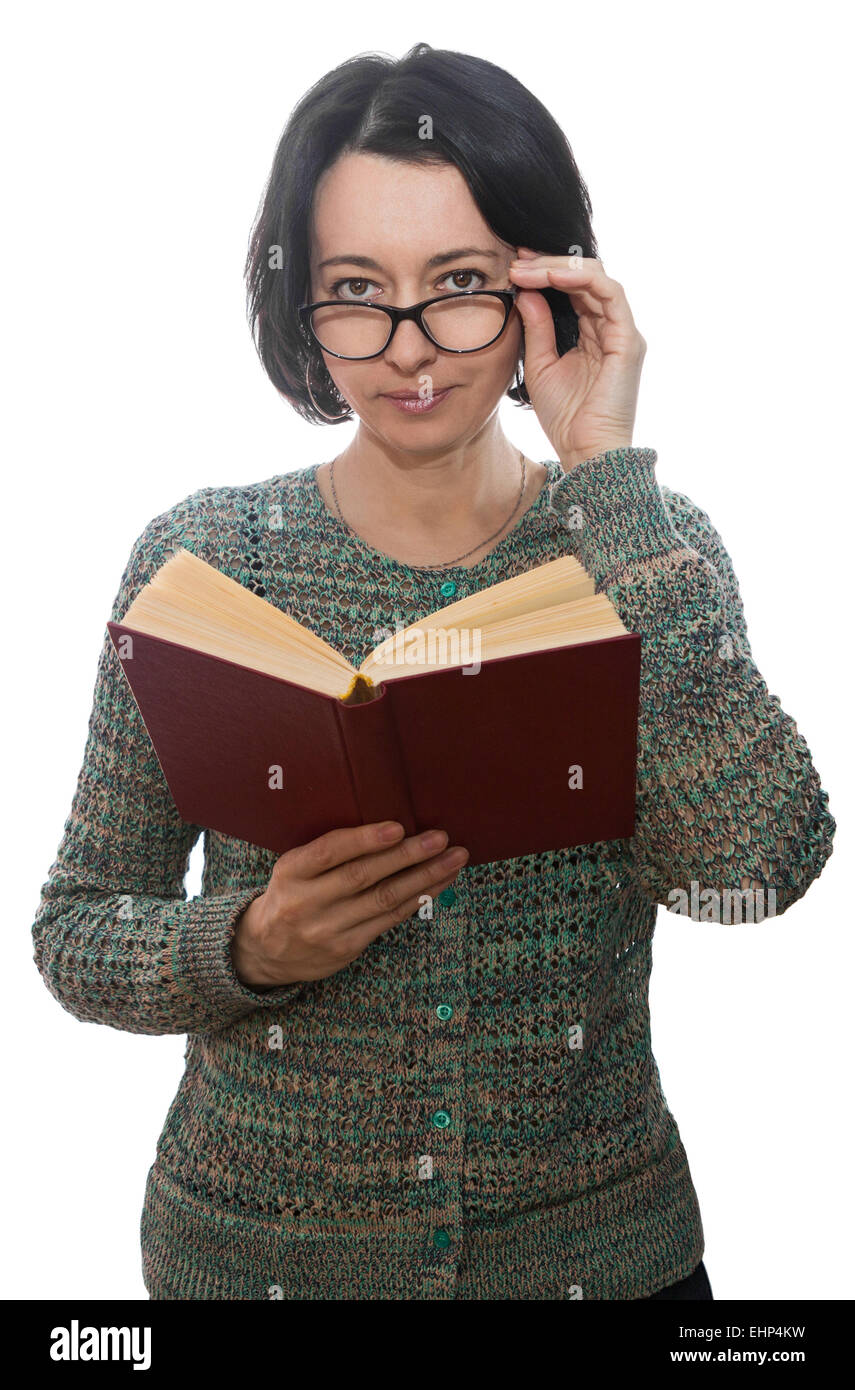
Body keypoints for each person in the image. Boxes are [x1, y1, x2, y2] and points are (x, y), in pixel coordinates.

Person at [32, 42, 834, 1301]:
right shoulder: (203, 561)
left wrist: (607, 475)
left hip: (599, 1266)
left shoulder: (644, 548)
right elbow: (78, 928)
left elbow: (755, 869)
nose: (408, 348)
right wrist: (245, 944)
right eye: (357, 289)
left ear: (546, 286)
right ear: (299, 303)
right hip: (253, 1268)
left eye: (459, 283)